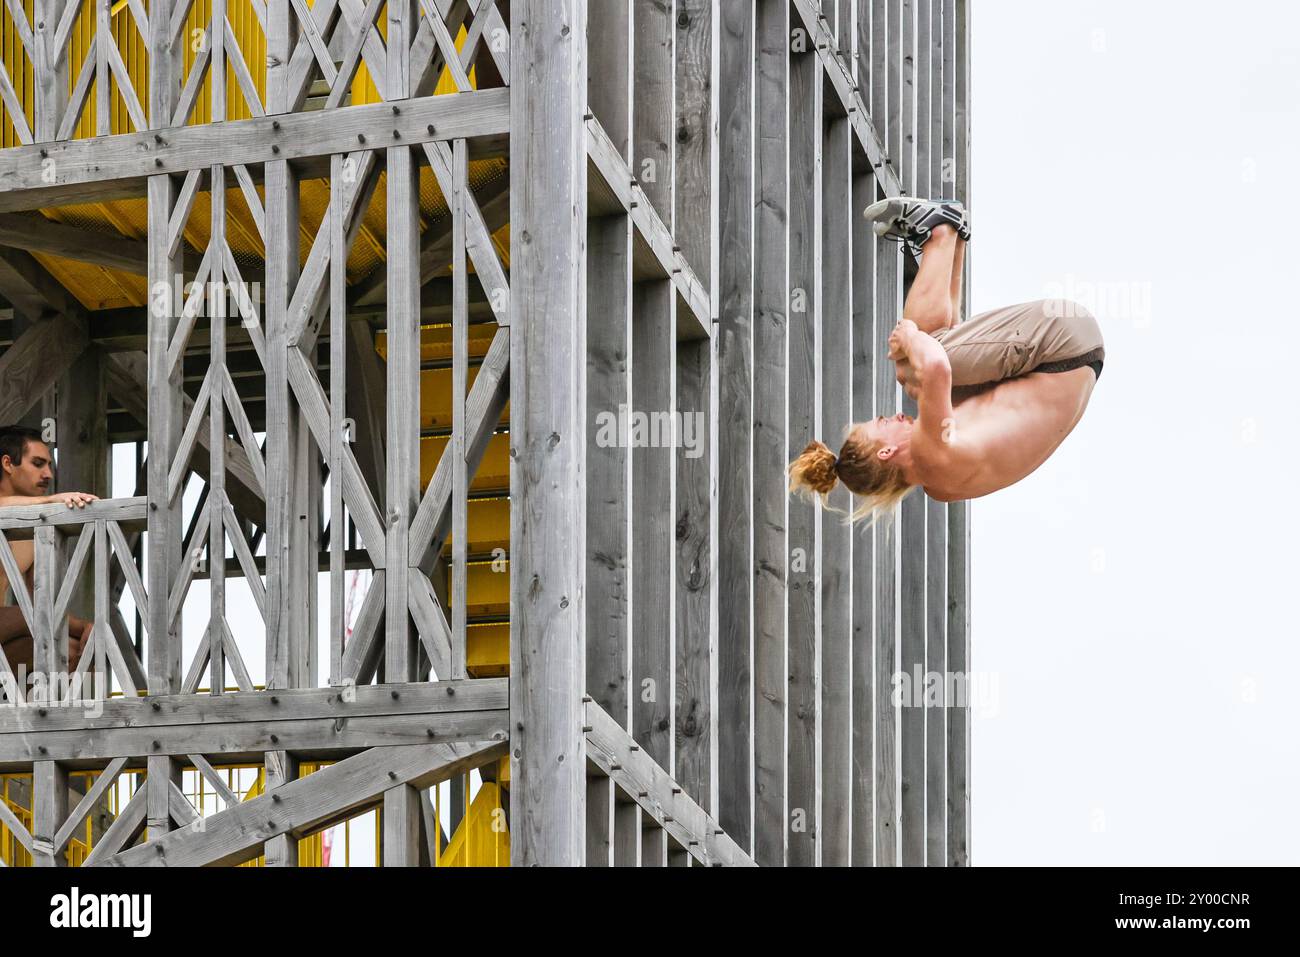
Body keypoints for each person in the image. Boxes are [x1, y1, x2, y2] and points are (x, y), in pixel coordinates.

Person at [790, 197, 1104, 525]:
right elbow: (938, 367)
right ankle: (940, 230)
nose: (896, 416)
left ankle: (951, 233)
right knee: (912, 367)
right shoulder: (928, 453)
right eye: (883, 422)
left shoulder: (940, 486)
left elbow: (948, 359)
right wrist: (908, 335)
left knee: (930, 370)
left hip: (1074, 362)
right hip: (1061, 344)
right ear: (886, 452)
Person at [0, 424, 100, 679]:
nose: (48, 474)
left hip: (7, 633)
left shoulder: (32, 532)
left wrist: (85, 627)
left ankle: (55, 714)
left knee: (76, 648)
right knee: (36, 620)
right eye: (38, 463)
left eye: (49, 466)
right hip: (14, 622)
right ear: (8, 464)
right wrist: (48, 501)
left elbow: (41, 605)